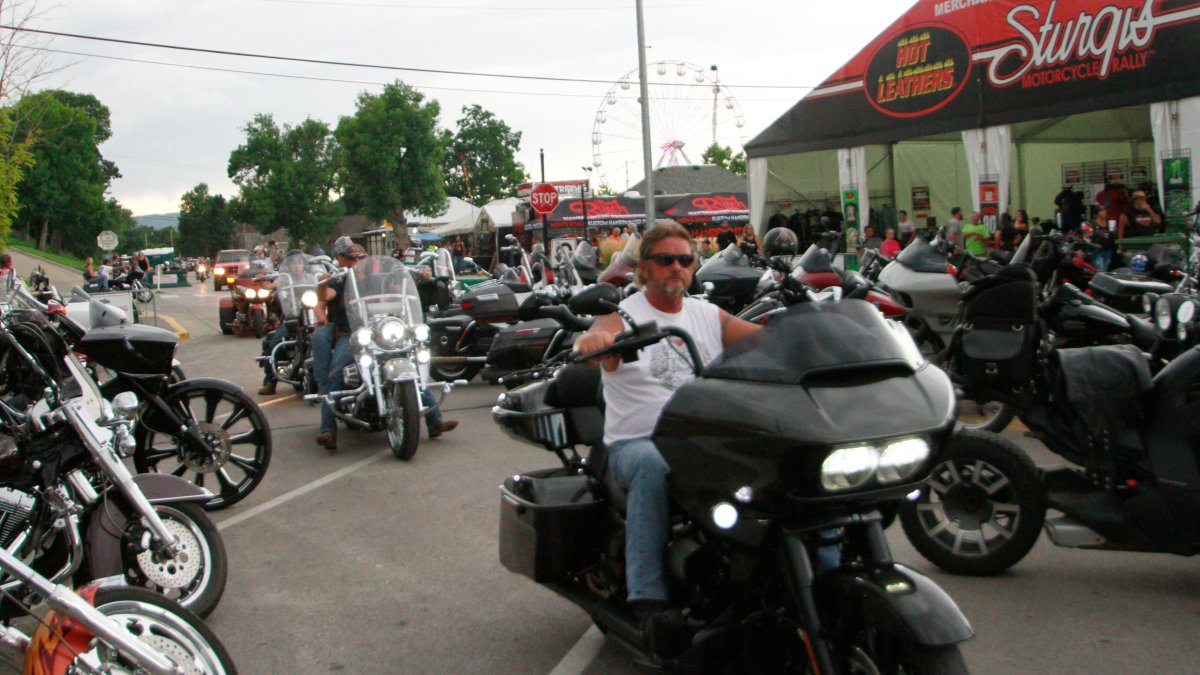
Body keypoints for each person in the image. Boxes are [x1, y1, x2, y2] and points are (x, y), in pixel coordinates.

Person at [573, 221, 760, 653]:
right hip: (639, 443)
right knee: (656, 468)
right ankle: (649, 599)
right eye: (665, 259)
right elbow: (595, 336)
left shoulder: (706, 314)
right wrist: (597, 342)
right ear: (644, 267)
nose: (676, 266)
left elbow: (766, 341)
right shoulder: (627, 314)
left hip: (704, 440)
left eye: (684, 259)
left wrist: (814, 331)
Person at [312, 238, 456, 450]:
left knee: (411, 369)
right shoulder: (340, 281)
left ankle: (435, 421)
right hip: (352, 334)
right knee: (336, 373)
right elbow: (324, 296)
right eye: (353, 258)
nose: (358, 261)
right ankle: (328, 431)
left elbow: (400, 287)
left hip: (382, 331)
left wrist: (420, 276)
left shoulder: (377, 279)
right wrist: (323, 282)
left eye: (362, 257)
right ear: (346, 261)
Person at [259, 251, 316, 395]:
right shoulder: (284, 279)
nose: (297, 266)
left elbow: (323, 281)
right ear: (289, 266)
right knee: (275, 343)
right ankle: (270, 382)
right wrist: (262, 280)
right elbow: (268, 286)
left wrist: (331, 277)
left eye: (299, 263)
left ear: (304, 265)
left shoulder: (311, 278)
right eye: (293, 264)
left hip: (312, 318)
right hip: (292, 318)